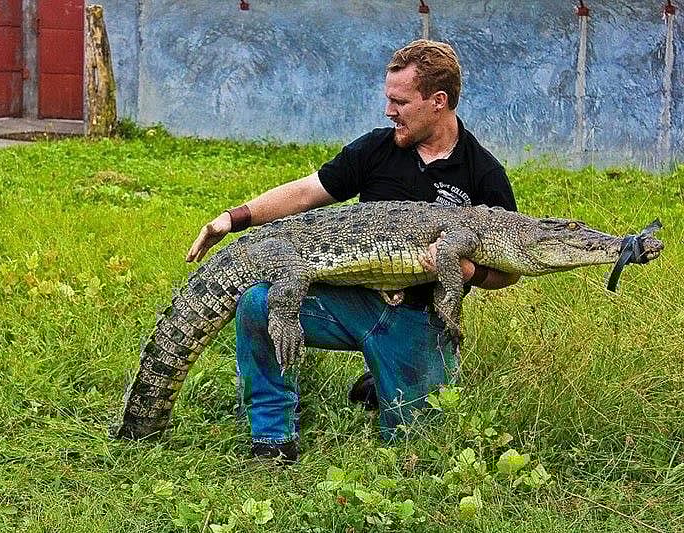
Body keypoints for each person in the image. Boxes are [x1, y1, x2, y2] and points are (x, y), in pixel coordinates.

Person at [186, 39, 519, 463]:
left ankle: (381, 379)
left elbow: (509, 271)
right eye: (388, 99)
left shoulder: (484, 173)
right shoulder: (378, 148)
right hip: (351, 303)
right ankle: (272, 437)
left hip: (418, 320)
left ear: (438, 101)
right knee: (259, 303)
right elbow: (307, 192)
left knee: (417, 448)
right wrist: (233, 219)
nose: (388, 111)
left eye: (400, 102)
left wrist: (467, 271)